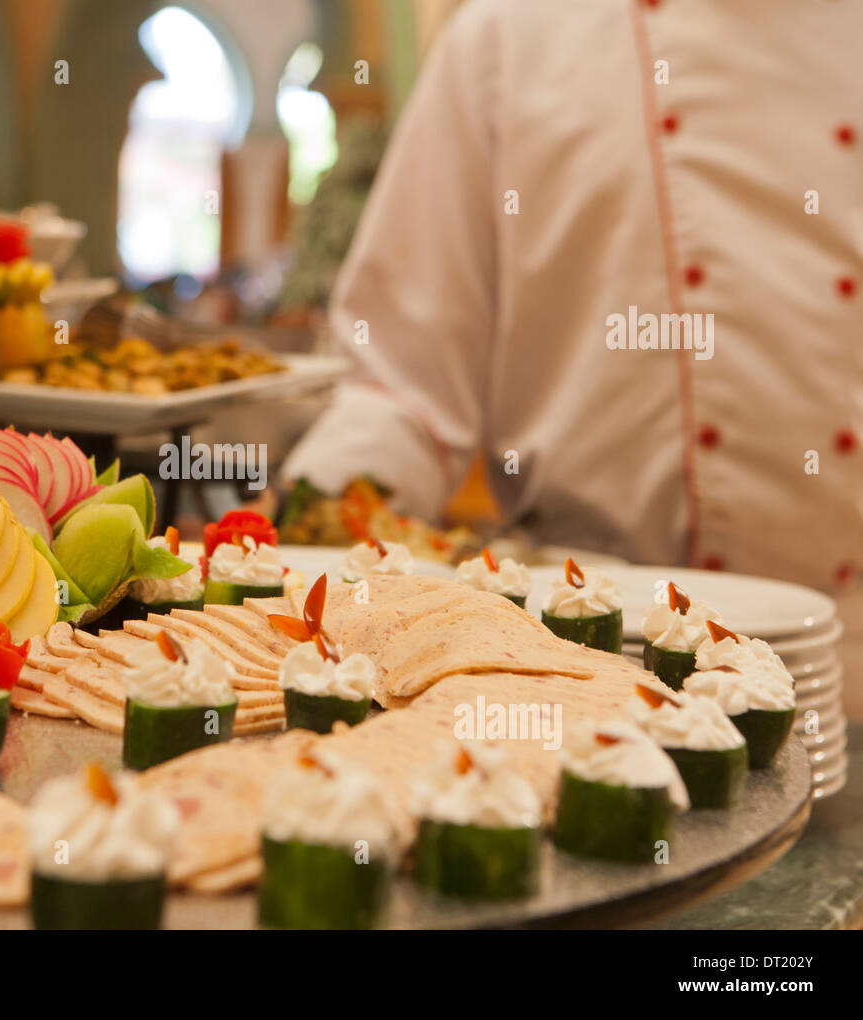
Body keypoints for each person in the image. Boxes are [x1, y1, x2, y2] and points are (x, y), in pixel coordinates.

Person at [283, 0, 863, 715]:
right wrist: (313, 518)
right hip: (579, 649)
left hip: (851, 661)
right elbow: (399, 386)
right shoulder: (508, 35)